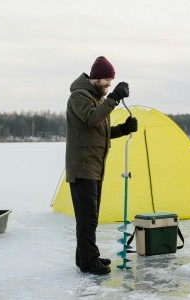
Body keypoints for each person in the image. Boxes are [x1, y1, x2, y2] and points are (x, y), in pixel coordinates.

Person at [65, 56, 138, 275]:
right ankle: (89, 262)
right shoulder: (79, 97)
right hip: (82, 167)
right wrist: (115, 97)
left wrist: (123, 129)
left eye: (111, 80)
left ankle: (86, 257)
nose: (108, 83)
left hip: (95, 167)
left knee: (90, 218)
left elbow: (101, 133)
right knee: (87, 220)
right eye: (106, 79)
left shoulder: (96, 99)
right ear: (95, 78)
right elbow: (92, 119)